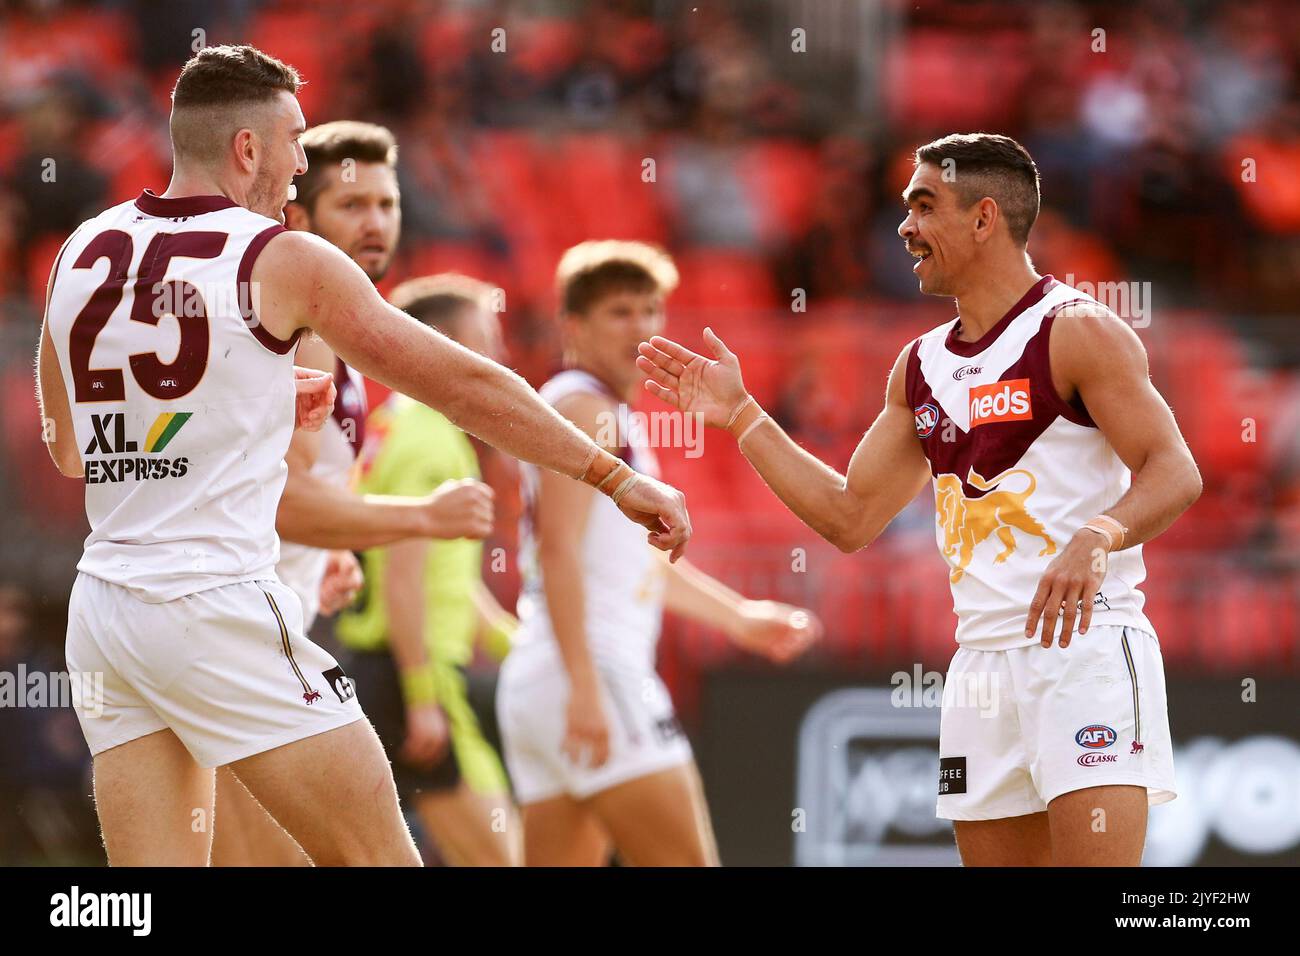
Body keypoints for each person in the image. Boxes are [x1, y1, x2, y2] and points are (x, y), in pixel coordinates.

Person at [35, 44, 690, 867]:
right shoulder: (280, 257)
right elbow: (462, 382)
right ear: (248, 149)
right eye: (296, 141)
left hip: (103, 611)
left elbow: (69, 451)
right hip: (215, 602)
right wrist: (611, 474)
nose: (301, 162)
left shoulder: (82, 250)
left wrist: (248, 409)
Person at [638, 133, 1203, 867]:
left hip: (1085, 653)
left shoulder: (1077, 331)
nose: (903, 227)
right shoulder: (921, 366)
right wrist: (746, 417)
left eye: (923, 205)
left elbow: (1175, 469)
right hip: (980, 669)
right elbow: (850, 517)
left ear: (984, 218)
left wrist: (1098, 534)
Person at [210, 119, 496, 867]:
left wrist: (327, 548)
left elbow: (292, 491)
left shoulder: (340, 339)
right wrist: (421, 518)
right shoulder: (298, 327)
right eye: (353, 204)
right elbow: (279, 501)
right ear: (299, 220)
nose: (376, 222)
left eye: (387, 203)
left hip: (277, 621)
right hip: (244, 631)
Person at [497, 241, 820, 866]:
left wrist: (739, 617)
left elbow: (631, 561)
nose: (641, 327)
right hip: (592, 673)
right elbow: (558, 553)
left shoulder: (607, 413)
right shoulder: (585, 407)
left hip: (551, 678)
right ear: (572, 325)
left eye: (650, 310)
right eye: (620, 312)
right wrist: (585, 688)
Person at [337, 273, 522, 866]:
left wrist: (513, 645)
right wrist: (421, 696)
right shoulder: (431, 439)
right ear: (441, 341)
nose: (497, 354)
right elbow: (403, 577)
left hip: (392, 667)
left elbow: (443, 577)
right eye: (484, 337)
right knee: (501, 859)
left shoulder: (399, 422)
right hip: (417, 674)